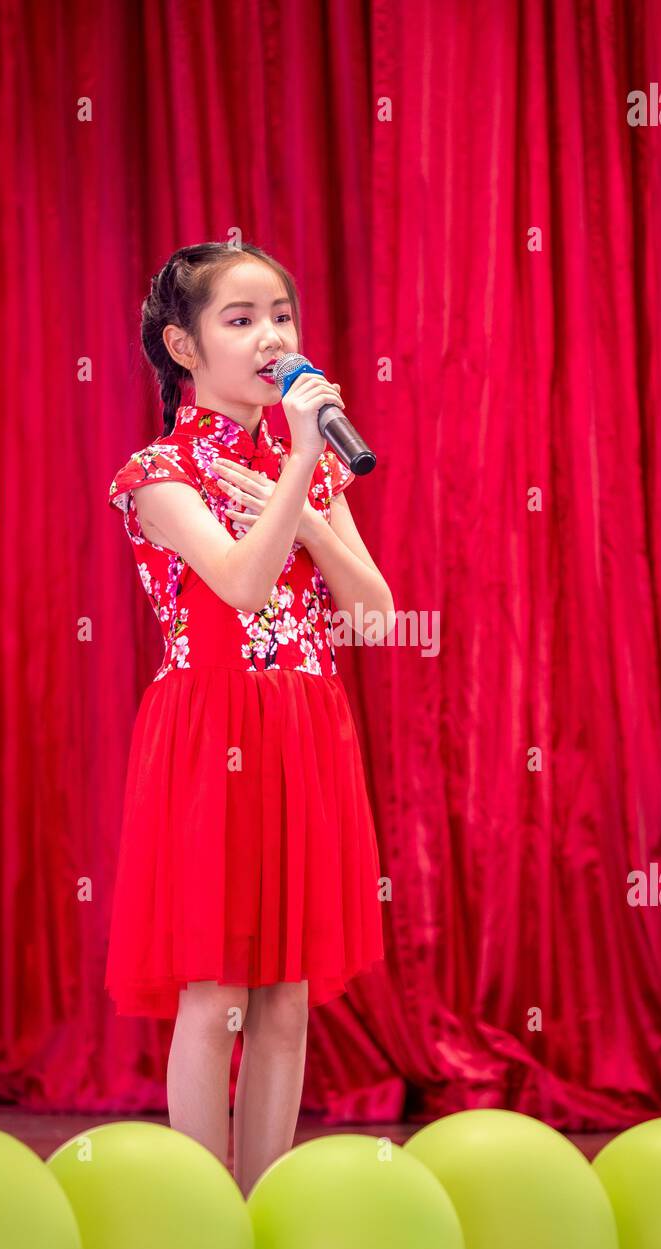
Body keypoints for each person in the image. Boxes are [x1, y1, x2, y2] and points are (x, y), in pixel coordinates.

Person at [105, 242, 392, 1197]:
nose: (272, 338)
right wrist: (302, 471)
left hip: (303, 728)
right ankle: (202, 1216)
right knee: (217, 988)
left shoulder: (309, 471)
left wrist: (309, 503)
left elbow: (377, 616)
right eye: (241, 320)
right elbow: (238, 583)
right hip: (208, 729)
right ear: (184, 347)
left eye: (282, 316)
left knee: (285, 995)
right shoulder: (157, 472)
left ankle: (264, 1206)